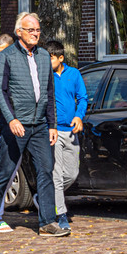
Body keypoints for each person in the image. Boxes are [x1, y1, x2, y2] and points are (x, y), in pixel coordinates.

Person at [0, 14, 66, 237]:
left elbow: (50, 92)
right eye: (30, 30)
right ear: (19, 32)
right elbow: (0, 91)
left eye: (38, 30)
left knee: (46, 170)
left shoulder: (44, 56)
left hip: (40, 125)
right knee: (5, 171)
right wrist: (11, 119)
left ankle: (47, 222)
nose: (35, 34)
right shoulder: (7, 56)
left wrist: (52, 124)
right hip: (16, 125)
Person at [48, 40, 87, 232]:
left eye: (51, 58)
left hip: (71, 132)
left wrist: (79, 117)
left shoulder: (74, 74)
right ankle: (61, 214)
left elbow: (83, 98)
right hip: (53, 131)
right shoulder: (46, 77)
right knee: (56, 175)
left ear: (60, 58)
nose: (48, 62)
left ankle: (47, 197)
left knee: (71, 174)